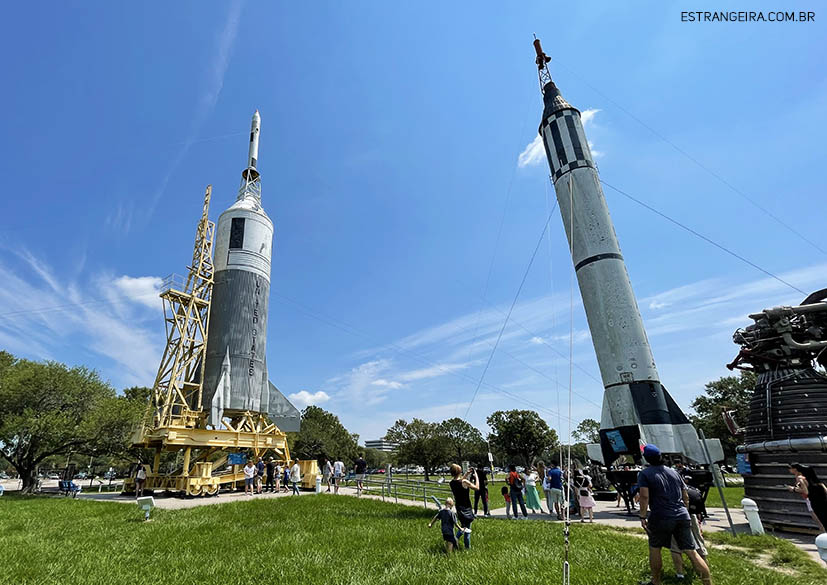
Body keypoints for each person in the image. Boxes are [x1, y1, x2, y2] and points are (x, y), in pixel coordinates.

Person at [638, 444, 711, 585]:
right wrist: (684, 511)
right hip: (682, 515)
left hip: (661, 516)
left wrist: (642, 516)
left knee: (655, 548)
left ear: (646, 458)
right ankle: (707, 583)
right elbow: (686, 495)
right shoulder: (674, 472)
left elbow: (644, 497)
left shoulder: (645, 474)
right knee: (692, 552)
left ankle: (656, 581)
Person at [788, 463, 827, 531]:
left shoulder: (800, 478)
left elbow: (806, 492)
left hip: (814, 500)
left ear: (795, 469)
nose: (789, 470)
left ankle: (823, 533)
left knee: (820, 518)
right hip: (822, 498)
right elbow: (823, 487)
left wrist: (793, 489)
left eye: (790, 468)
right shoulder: (812, 478)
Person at [449, 464, 478, 549]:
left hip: (459, 507)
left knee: (464, 526)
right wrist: (476, 477)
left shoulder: (452, 483)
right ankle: (465, 547)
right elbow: (477, 487)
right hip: (466, 508)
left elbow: (460, 481)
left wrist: (467, 474)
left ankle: (454, 540)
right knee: (467, 530)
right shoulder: (464, 482)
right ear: (460, 472)